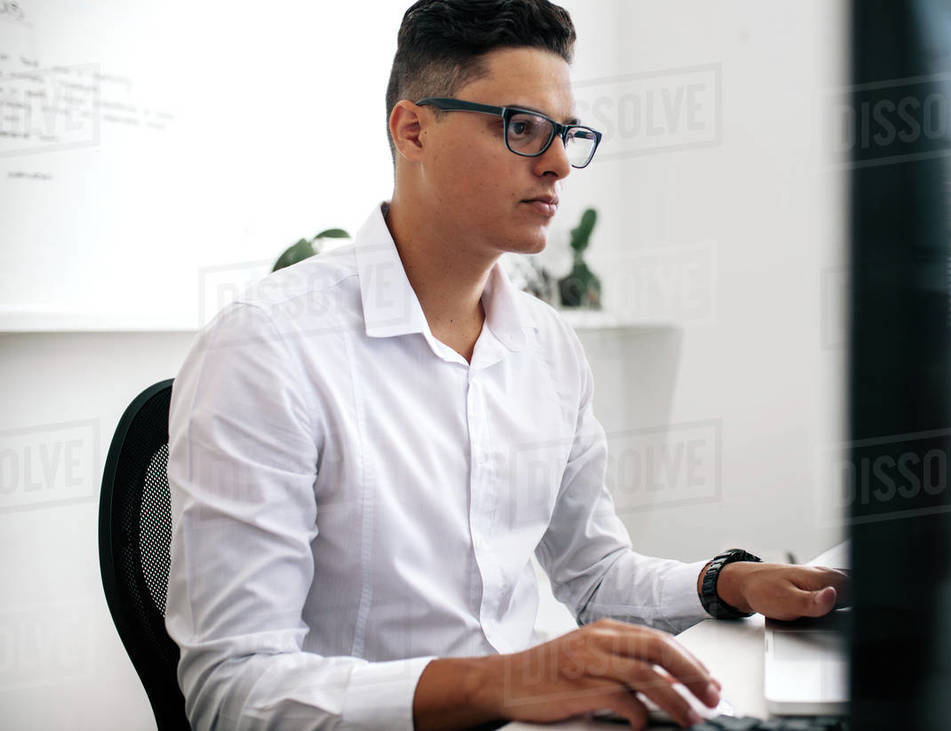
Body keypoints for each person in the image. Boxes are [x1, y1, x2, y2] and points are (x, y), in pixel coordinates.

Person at [164, 1, 847, 729]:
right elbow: (234, 691)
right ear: (414, 129)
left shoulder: (546, 348)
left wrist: (728, 582)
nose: (557, 162)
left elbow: (594, 576)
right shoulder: (268, 350)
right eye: (522, 128)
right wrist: (503, 682)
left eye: (568, 135)